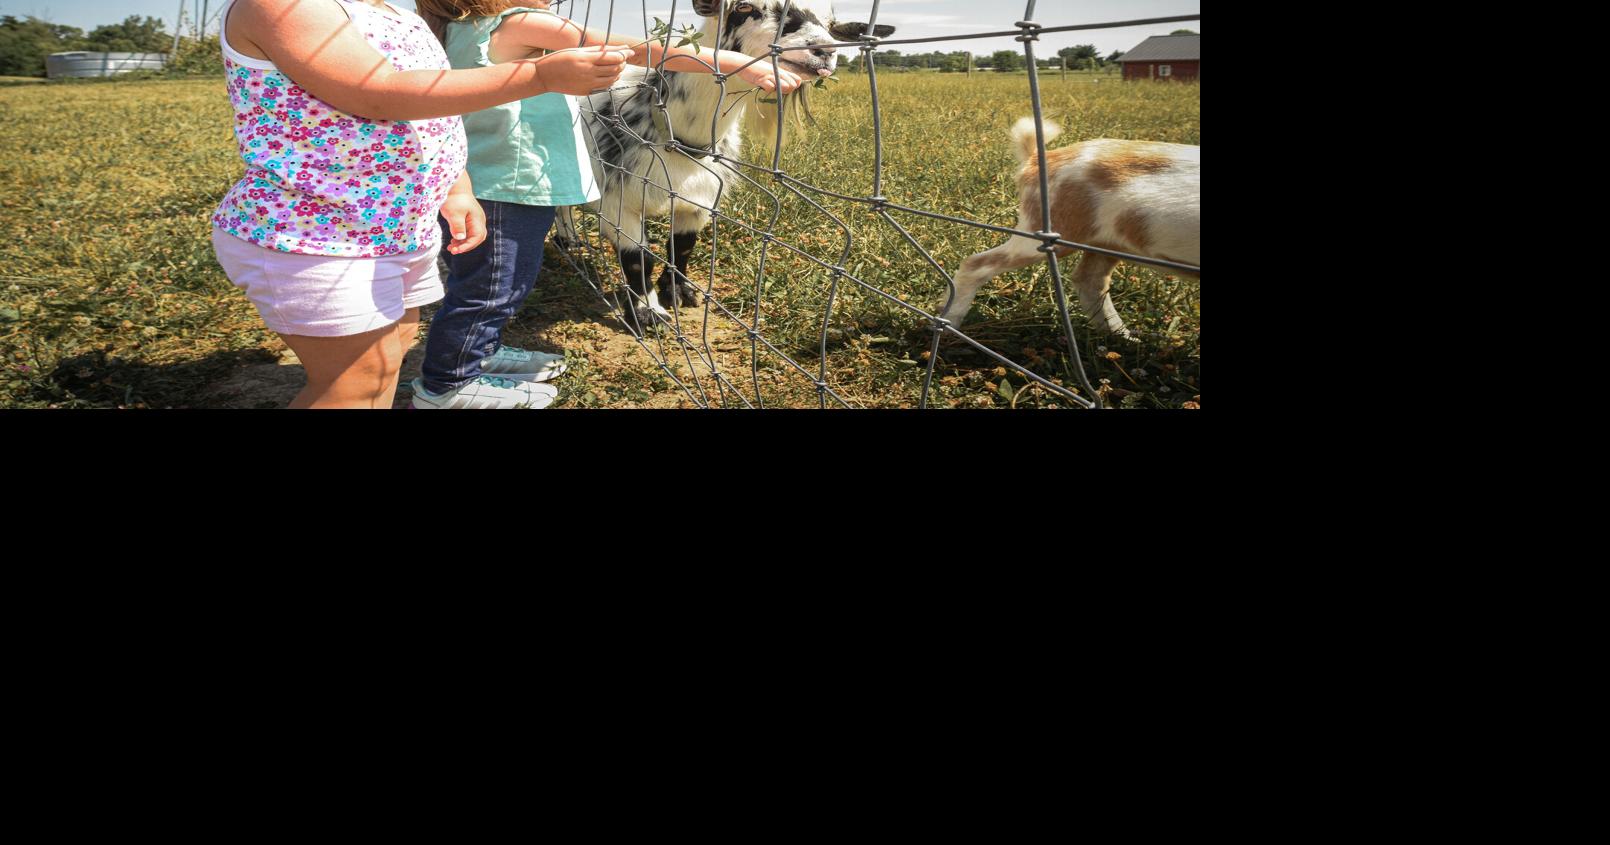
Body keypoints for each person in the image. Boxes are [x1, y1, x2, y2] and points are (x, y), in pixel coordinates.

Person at [210, 0, 631, 408]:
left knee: (387, 361)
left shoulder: (398, 16)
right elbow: (378, 93)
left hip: (397, 230)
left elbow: (434, 113)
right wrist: (537, 76)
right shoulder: (283, 6)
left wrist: (457, 188)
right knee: (351, 384)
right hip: (315, 236)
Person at [407, 0, 802, 409]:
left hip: (489, 180)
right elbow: (630, 49)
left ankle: (480, 353)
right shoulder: (521, 23)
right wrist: (734, 63)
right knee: (492, 290)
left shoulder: (453, 30)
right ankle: (448, 383)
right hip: (509, 185)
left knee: (489, 284)